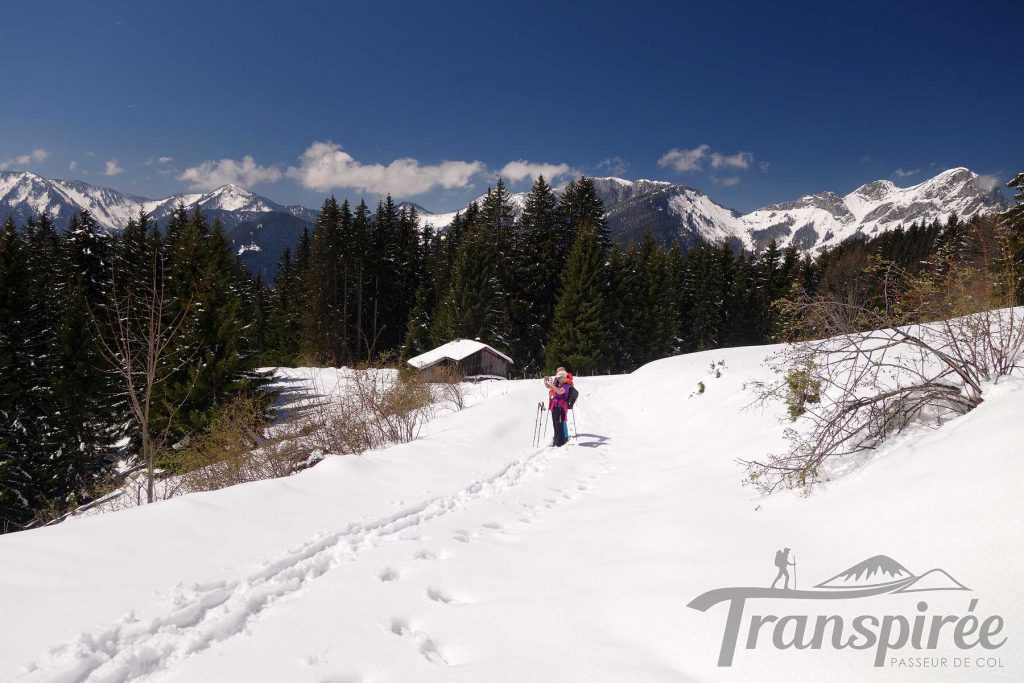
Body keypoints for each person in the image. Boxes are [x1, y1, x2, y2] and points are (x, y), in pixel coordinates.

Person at [543, 369, 570, 447]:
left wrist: (552, 385)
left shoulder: (566, 385)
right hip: (554, 406)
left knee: (559, 424)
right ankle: (556, 440)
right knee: (555, 424)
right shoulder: (558, 384)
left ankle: (561, 441)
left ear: (563, 377)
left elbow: (559, 391)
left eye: (559, 377)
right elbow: (549, 387)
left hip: (561, 407)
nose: (557, 379)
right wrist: (546, 382)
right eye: (557, 377)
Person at [555, 367, 574, 442]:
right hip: (559, 401)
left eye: (558, 371)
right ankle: (562, 435)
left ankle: (565, 436)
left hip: (564, 401)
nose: (557, 373)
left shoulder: (566, 379)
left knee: (563, 419)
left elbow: (565, 389)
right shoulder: (559, 379)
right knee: (561, 419)